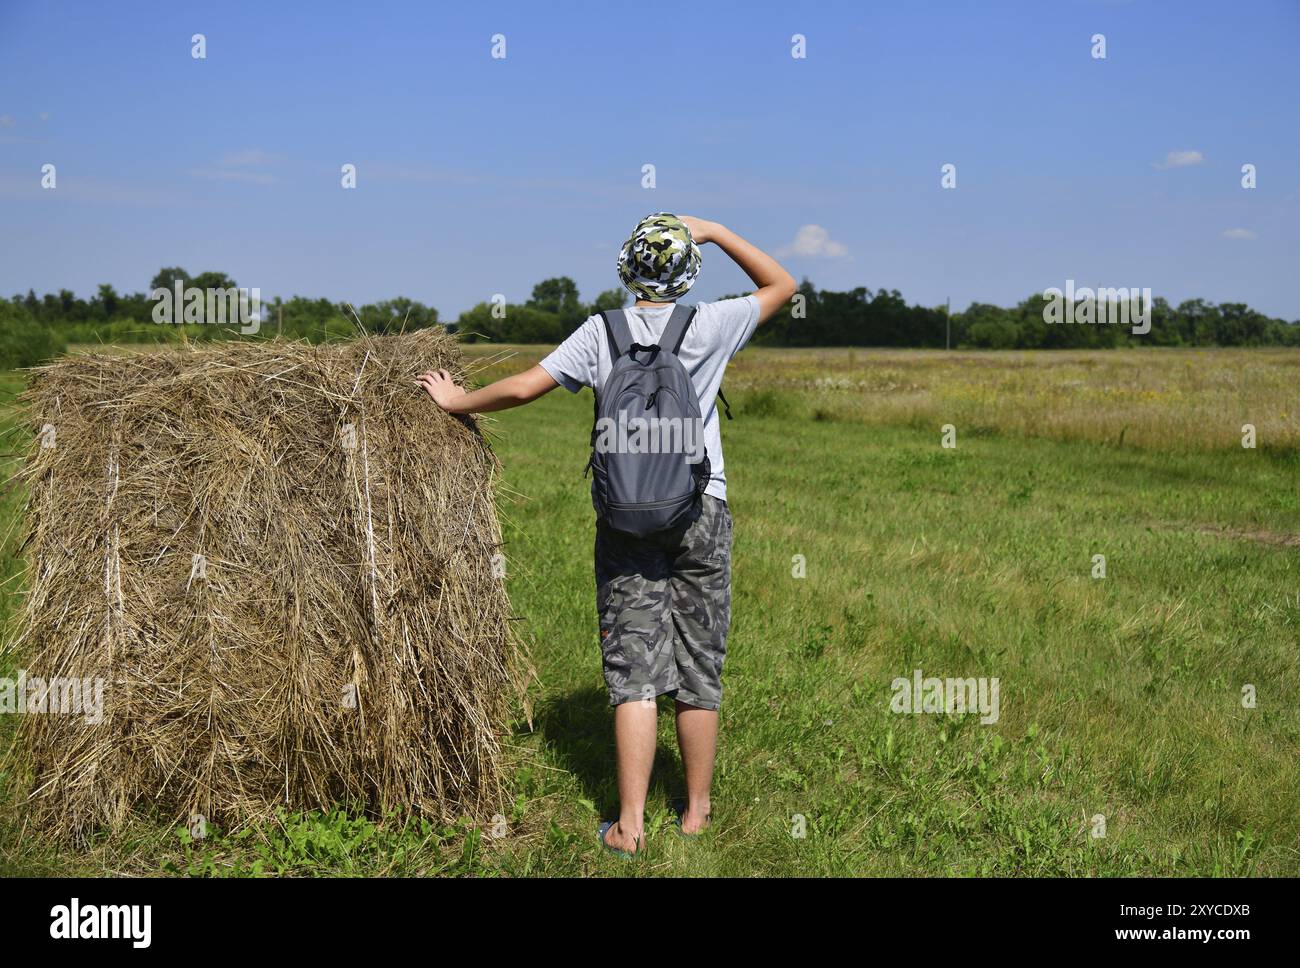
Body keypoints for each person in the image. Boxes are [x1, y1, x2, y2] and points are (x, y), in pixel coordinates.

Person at [419, 213, 795, 855]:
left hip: (624, 517)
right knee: (699, 662)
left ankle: (629, 825)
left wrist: (459, 401)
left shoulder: (601, 333)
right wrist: (718, 230)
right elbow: (782, 285)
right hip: (701, 509)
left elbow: (525, 387)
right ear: (689, 272)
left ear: (627, 269)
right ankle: (697, 813)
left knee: (633, 669)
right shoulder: (712, 324)